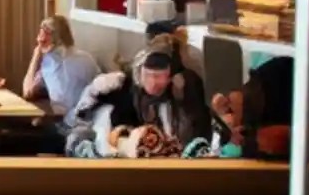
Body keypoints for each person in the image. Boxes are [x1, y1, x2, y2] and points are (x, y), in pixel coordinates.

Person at [66, 42, 212, 158]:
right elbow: (87, 120)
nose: (153, 83)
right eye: (149, 76)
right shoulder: (124, 90)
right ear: (140, 75)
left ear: (170, 78)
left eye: (159, 77)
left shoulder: (185, 91)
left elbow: (199, 128)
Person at [210, 56, 309, 160]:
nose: (239, 93)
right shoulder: (252, 133)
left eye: (252, 86)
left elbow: (275, 140)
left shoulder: (271, 140)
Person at [22, 15, 100, 123]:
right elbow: (28, 91)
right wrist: (36, 56)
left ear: (58, 37)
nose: (40, 38)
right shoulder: (47, 63)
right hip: (62, 121)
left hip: (80, 120)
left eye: (47, 33)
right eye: (41, 33)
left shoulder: (84, 60)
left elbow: (99, 92)